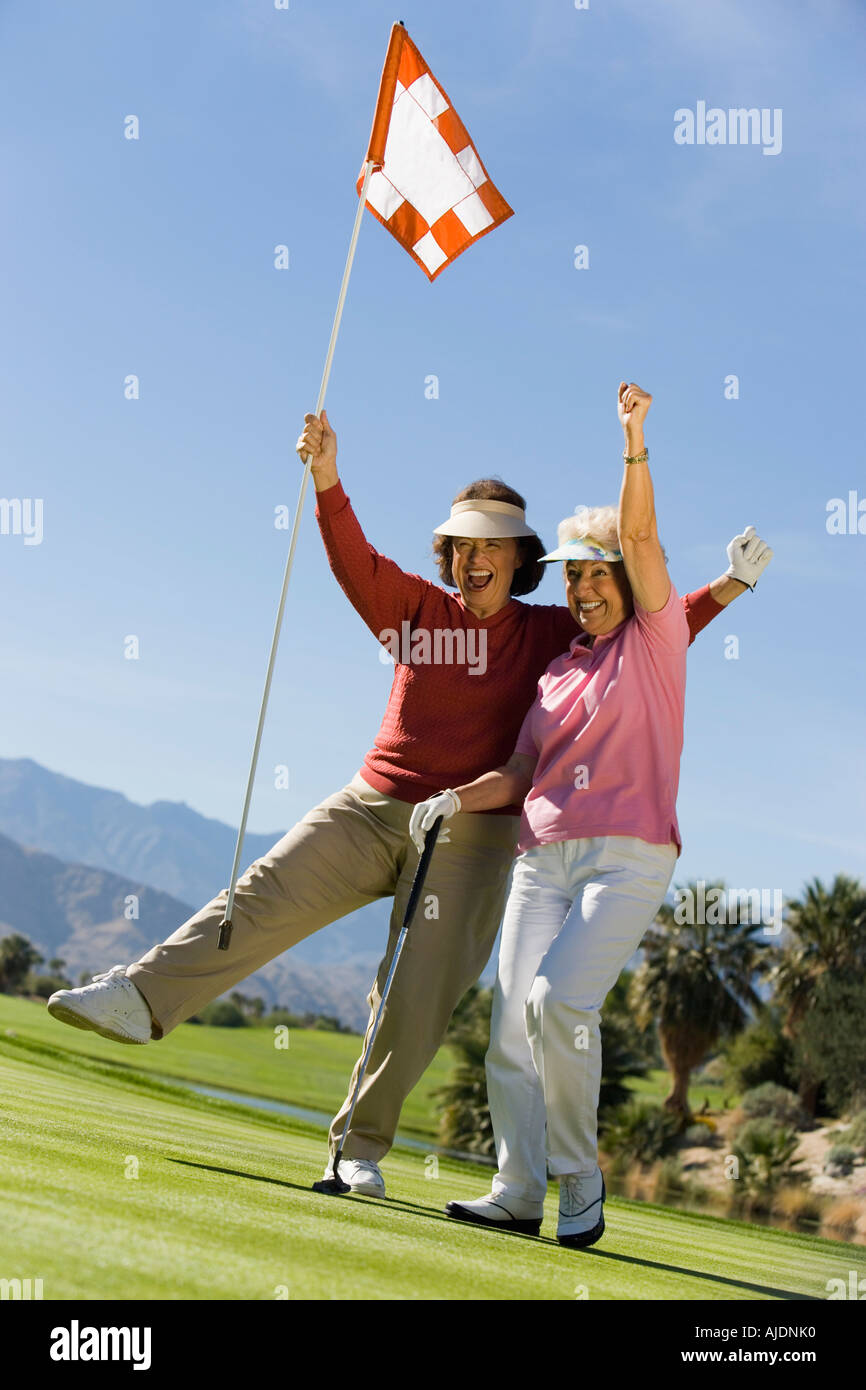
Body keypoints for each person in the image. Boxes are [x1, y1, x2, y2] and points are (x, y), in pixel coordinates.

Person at [47, 403, 768, 1199]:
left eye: (490, 547)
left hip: (475, 834)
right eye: (461, 547)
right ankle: (139, 998)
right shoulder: (418, 612)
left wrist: (727, 586)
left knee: (413, 996)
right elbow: (355, 562)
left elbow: (651, 621)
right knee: (261, 894)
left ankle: (357, 1152)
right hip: (374, 805)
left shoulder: (549, 630)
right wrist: (327, 477)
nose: (473, 560)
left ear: (520, 560)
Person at [409, 382, 773, 1247]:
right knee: (510, 1023)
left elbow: (642, 535)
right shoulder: (558, 672)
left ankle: (580, 1180)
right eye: (572, 577)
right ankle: (515, 1188)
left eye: (596, 574)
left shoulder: (656, 639)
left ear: (626, 580)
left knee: (557, 1003)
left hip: (628, 857)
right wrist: (450, 800)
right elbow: (521, 769)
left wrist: (633, 438)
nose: (583, 590)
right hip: (542, 857)